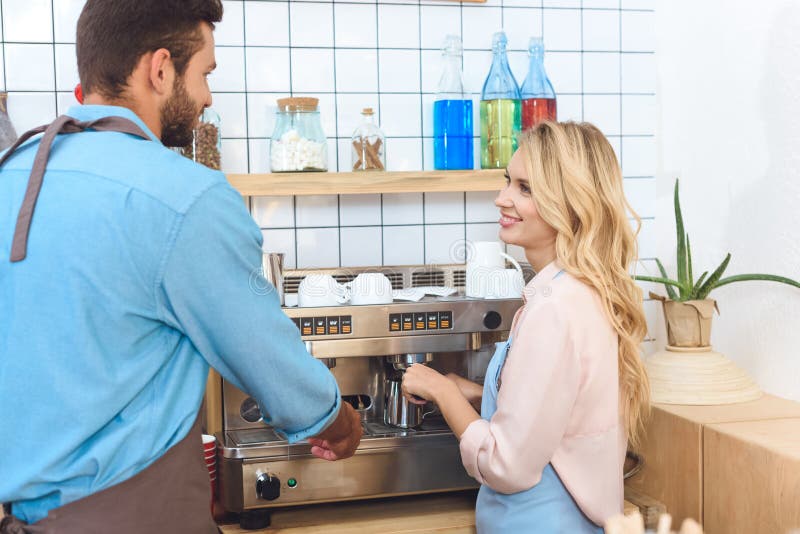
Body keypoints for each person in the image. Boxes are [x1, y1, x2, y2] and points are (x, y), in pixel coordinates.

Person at [0, 1, 361, 532]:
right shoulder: (186, 196)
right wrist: (336, 420)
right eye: (205, 74)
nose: (208, 97)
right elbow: (261, 352)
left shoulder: (12, 176)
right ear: (161, 68)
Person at [402, 121, 650, 532]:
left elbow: (507, 465)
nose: (502, 199)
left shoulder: (553, 309)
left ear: (570, 204)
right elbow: (563, 410)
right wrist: (477, 392)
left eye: (525, 188)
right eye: (507, 182)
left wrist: (442, 392)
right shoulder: (584, 290)